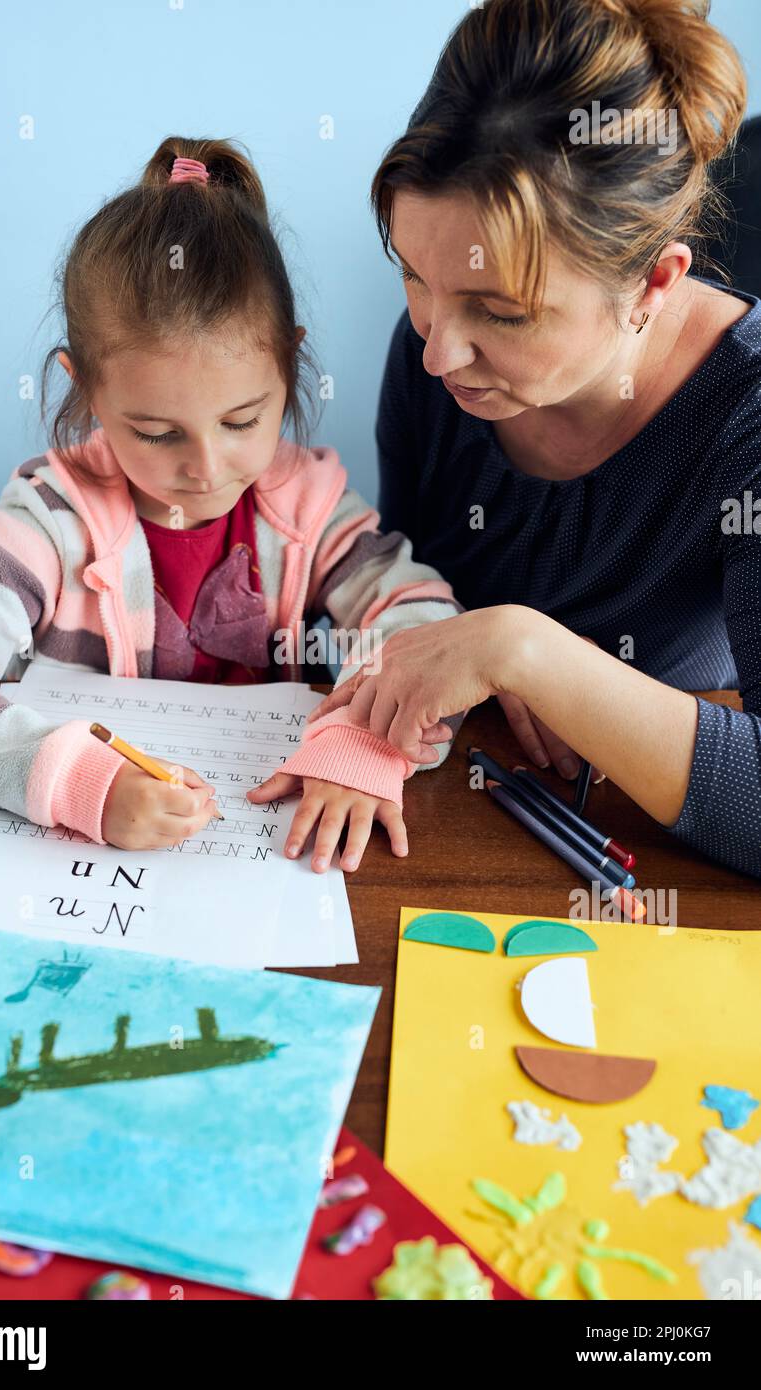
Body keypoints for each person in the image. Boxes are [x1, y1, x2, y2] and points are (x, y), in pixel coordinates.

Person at [0, 138, 460, 872]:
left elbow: (431, 631)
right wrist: (74, 781)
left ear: (290, 366)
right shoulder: (51, 517)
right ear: (85, 387)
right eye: (156, 433)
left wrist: (362, 741)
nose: (204, 467)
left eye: (242, 421)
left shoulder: (309, 509)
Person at [312, 0, 761, 879]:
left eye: (502, 312)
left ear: (654, 282)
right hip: (454, 824)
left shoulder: (746, 423)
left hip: (638, 867)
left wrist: (526, 651)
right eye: (412, 274)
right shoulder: (441, 352)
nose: (437, 347)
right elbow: (407, 596)